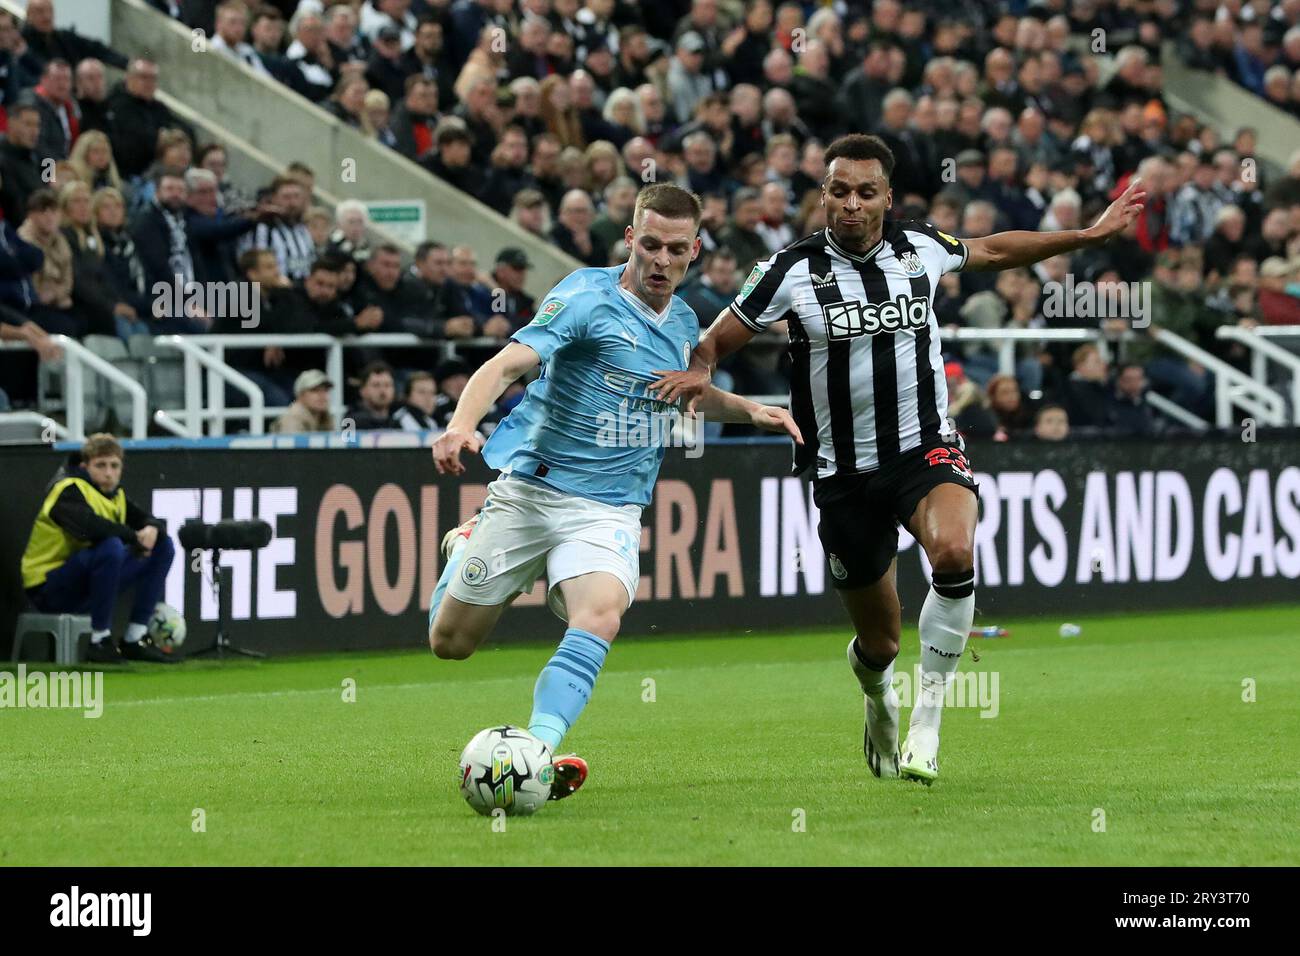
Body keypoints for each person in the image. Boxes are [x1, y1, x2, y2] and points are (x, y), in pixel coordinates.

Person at [651, 133, 1145, 784]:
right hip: (843, 475)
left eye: (864, 192)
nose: (850, 205)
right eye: (837, 191)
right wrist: (698, 373)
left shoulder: (921, 248)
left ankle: (928, 721)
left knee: (955, 555)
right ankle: (880, 696)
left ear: (887, 197)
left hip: (925, 448)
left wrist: (1084, 236)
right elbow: (716, 343)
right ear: (822, 195)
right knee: (879, 644)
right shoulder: (789, 271)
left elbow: (994, 249)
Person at [426, 183, 799, 804]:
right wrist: (461, 425)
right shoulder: (583, 296)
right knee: (451, 644)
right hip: (532, 491)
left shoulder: (683, 322)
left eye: (674, 249)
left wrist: (748, 411)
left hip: (609, 508)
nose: (660, 259)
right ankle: (465, 544)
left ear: (694, 251)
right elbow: (506, 365)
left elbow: (682, 393)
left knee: (600, 613)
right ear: (630, 238)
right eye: (649, 243)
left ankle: (538, 750)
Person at [20, 433, 178, 664]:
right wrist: (135, 536)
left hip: (84, 582)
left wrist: (152, 528)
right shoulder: (68, 489)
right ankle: (99, 640)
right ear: (85, 465)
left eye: (114, 466)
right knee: (111, 546)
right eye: (100, 465)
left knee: (163, 546)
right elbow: (88, 527)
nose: (108, 473)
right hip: (48, 586)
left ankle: (134, 638)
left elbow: (150, 521)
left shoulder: (116, 496)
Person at [272, 369, 336, 434]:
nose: (322, 395)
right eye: (315, 390)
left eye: (325, 390)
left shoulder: (324, 416)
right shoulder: (293, 419)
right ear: (300, 395)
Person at [345, 359, 397, 429]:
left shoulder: (400, 419)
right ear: (362, 390)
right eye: (376, 385)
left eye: (387, 385)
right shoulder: (351, 421)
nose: (382, 391)